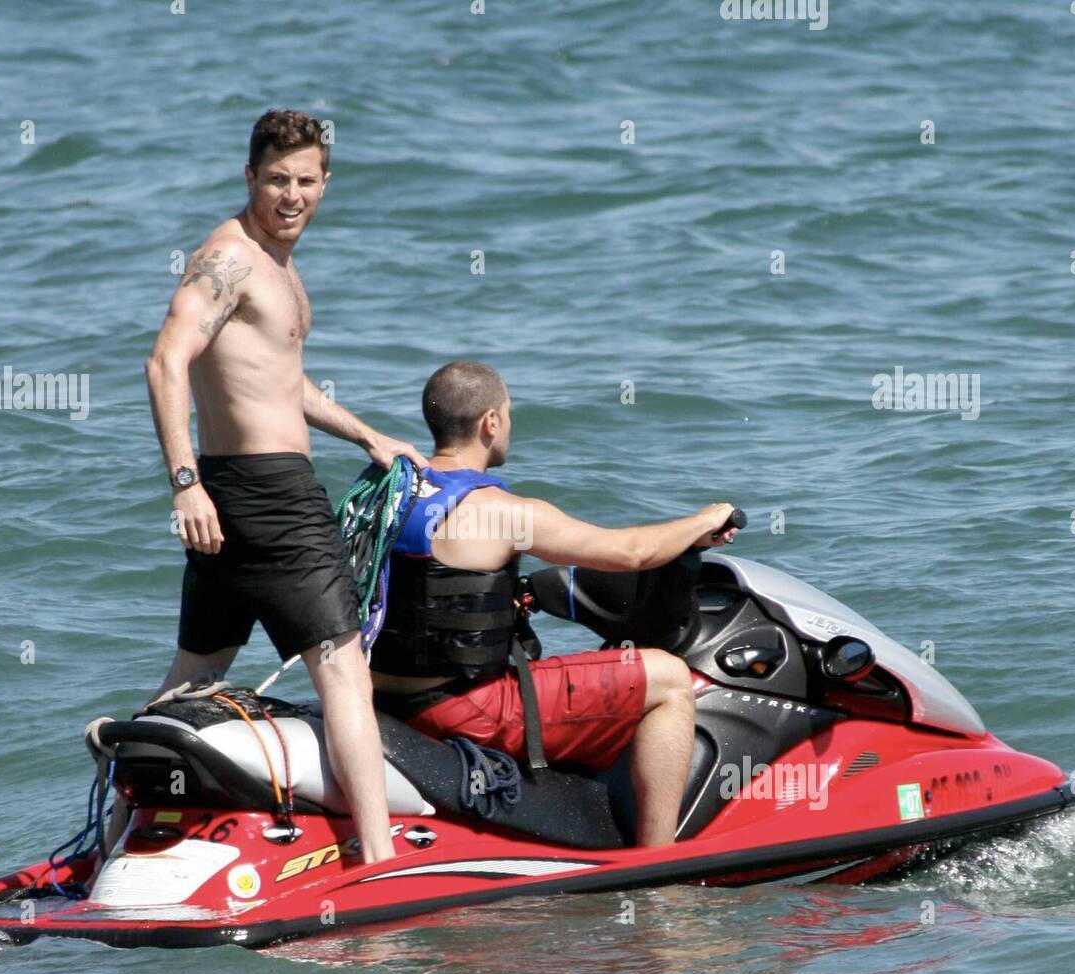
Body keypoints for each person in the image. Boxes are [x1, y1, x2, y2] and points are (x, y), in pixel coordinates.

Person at [139, 109, 426, 865]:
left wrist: (368, 435)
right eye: (275, 179)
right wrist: (184, 484)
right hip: (264, 494)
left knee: (195, 675)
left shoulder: (280, 267)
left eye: (305, 181)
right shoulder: (228, 260)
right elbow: (165, 361)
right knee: (343, 670)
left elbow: (279, 383)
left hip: (242, 496)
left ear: (326, 184)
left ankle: (118, 835)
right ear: (248, 178)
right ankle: (378, 858)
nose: (290, 195)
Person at [369, 361, 738, 846]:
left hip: (381, 694)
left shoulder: (385, 494)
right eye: (508, 415)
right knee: (668, 678)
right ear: (491, 423)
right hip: (465, 708)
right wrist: (703, 521)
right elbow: (630, 553)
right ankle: (659, 863)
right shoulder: (504, 513)